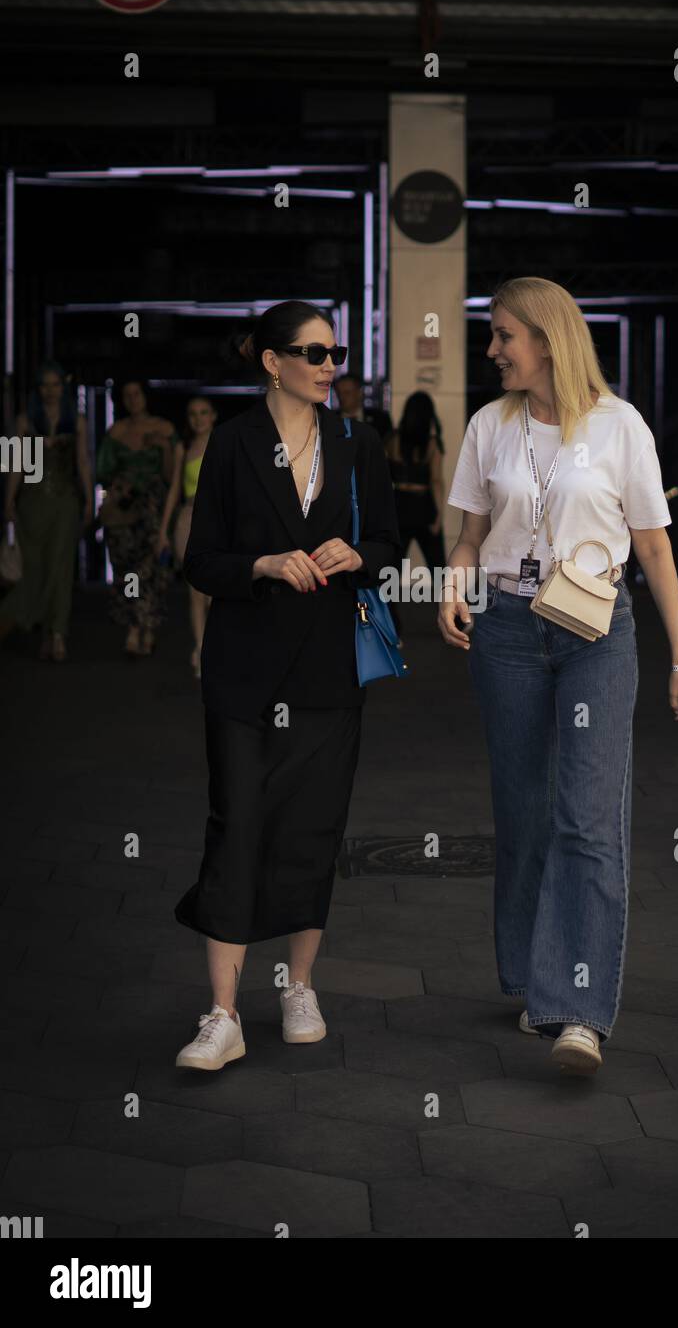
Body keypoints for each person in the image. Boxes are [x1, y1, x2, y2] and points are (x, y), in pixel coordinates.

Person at [438, 276, 678, 1078]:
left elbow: (653, 547)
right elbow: (467, 536)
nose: (491, 351)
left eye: (502, 336)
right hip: (510, 631)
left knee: (587, 816)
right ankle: (530, 978)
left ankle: (579, 1010)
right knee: (522, 812)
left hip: (596, 631)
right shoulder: (490, 425)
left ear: (548, 340)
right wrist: (455, 585)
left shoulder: (621, 427)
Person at [174, 300, 400, 1072]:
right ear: (272, 361)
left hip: (330, 668)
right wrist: (264, 565)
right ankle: (223, 1013)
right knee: (237, 825)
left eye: (334, 352)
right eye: (312, 352)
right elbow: (200, 562)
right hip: (243, 671)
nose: (329, 364)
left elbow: (392, 546)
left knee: (312, 828)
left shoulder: (356, 441)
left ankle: (299, 987)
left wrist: (356, 553)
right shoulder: (232, 444)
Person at [0, 362, 92, 661]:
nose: (50, 390)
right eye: (44, 385)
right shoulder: (25, 420)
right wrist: (9, 500)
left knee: (61, 565)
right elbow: (16, 463)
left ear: (61, 388)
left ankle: (57, 634)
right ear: (38, 389)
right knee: (34, 566)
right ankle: (38, 626)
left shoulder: (76, 420)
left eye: (54, 384)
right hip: (32, 500)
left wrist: (90, 499)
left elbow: (82, 462)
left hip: (65, 499)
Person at [94, 379, 179, 657]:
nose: (132, 399)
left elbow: (171, 476)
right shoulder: (116, 432)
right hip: (123, 506)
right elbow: (102, 472)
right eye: (127, 395)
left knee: (152, 568)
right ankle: (134, 626)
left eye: (137, 393)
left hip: (154, 508)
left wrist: (163, 447)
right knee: (125, 568)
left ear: (146, 395)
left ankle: (146, 627)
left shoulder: (164, 428)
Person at [156, 395, 217, 677]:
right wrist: (163, 530)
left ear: (213, 416)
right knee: (196, 592)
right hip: (188, 519)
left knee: (215, 593)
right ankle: (202, 648)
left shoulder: (225, 443)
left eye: (203, 413)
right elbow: (173, 492)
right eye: (193, 413)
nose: (198, 418)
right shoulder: (184, 447)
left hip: (219, 520)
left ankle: (216, 649)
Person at [384, 390, 445, 638]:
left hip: (398, 505)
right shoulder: (432, 443)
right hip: (423, 505)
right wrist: (439, 518)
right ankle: (456, 620)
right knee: (439, 568)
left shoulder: (393, 439)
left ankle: (392, 627)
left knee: (390, 571)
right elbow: (437, 481)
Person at [333, 371, 393, 443]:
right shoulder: (329, 420)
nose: (341, 397)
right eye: (339, 393)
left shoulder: (380, 419)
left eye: (347, 393)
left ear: (359, 392)